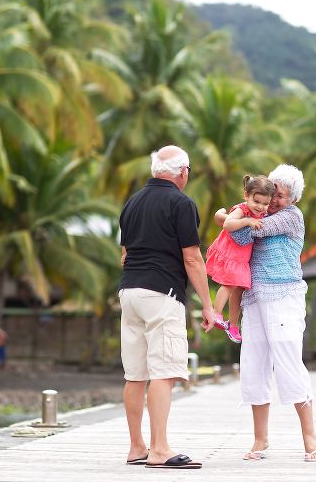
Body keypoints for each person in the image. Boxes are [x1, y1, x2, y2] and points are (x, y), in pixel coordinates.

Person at [118, 145, 216, 469]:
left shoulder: (132, 203)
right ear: (182, 171)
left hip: (129, 292)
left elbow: (124, 255)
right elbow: (192, 258)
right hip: (162, 293)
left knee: (135, 374)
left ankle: (137, 447)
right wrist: (208, 306)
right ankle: (159, 449)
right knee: (164, 372)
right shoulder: (181, 203)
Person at [218, 163, 316, 462]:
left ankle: (309, 437)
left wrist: (233, 218)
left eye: (283, 197)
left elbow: (254, 231)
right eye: (274, 193)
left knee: (288, 359)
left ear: (294, 200)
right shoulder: (255, 213)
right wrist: (236, 221)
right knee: (254, 363)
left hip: (284, 295)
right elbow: (239, 238)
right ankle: (260, 439)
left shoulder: (291, 217)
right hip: (254, 297)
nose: (275, 201)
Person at [205, 175, 275, 343]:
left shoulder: (262, 214)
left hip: (242, 259)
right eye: (256, 201)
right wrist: (248, 221)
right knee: (229, 285)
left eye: (265, 204)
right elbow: (228, 224)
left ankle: (233, 325)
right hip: (230, 253)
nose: (260, 207)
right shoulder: (243, 210)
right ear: (246, 196)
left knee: (238, 290)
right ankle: (216, 313)